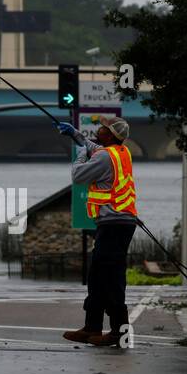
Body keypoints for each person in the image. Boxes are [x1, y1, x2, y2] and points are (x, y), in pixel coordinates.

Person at [58, 115, 138, 347]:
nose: (99, 130)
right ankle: (92, 326)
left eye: (103, 128)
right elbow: (93, 146)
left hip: (114, 225)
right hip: (118, 223)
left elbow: (78, 175)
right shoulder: (120, 152)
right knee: (98, 276)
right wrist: (75, 134)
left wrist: (80, 152)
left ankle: (118, 333)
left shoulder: (104, 156)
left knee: (111, 279)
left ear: (111, 135)